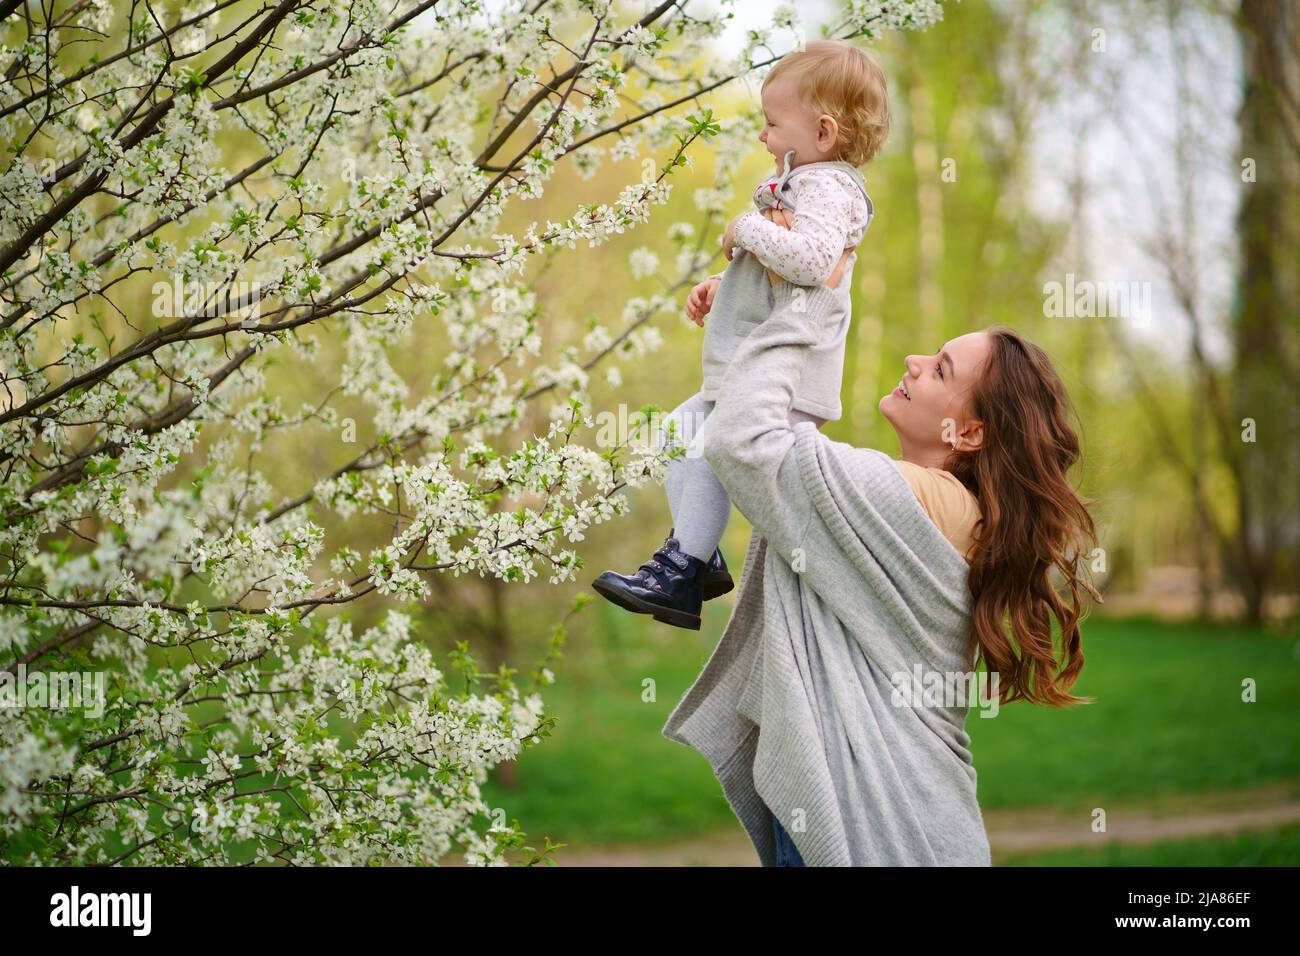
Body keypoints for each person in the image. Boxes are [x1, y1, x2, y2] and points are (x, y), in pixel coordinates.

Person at [661, 281, 1102, 865]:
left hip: (875, 826)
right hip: (892, 820)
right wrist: (754, 306)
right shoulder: (942, 506)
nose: (914, 363)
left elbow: (749, 442)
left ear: (969, 433)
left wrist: (803, 298)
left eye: (941, 370)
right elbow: (761, 436)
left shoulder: (919, 499)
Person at [591, 39, 885, 629]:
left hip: (786, 373)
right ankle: (695, 559)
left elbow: (810, 263)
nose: (763, 136)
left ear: (824, 133)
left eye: (773, 124)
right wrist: (726, 282)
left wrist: (746, 228)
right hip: (759, 362)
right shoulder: (804, 183)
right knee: (681, 431)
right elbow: (785, 276)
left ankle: (684, 570)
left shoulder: (829, 188)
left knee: (711, 443)